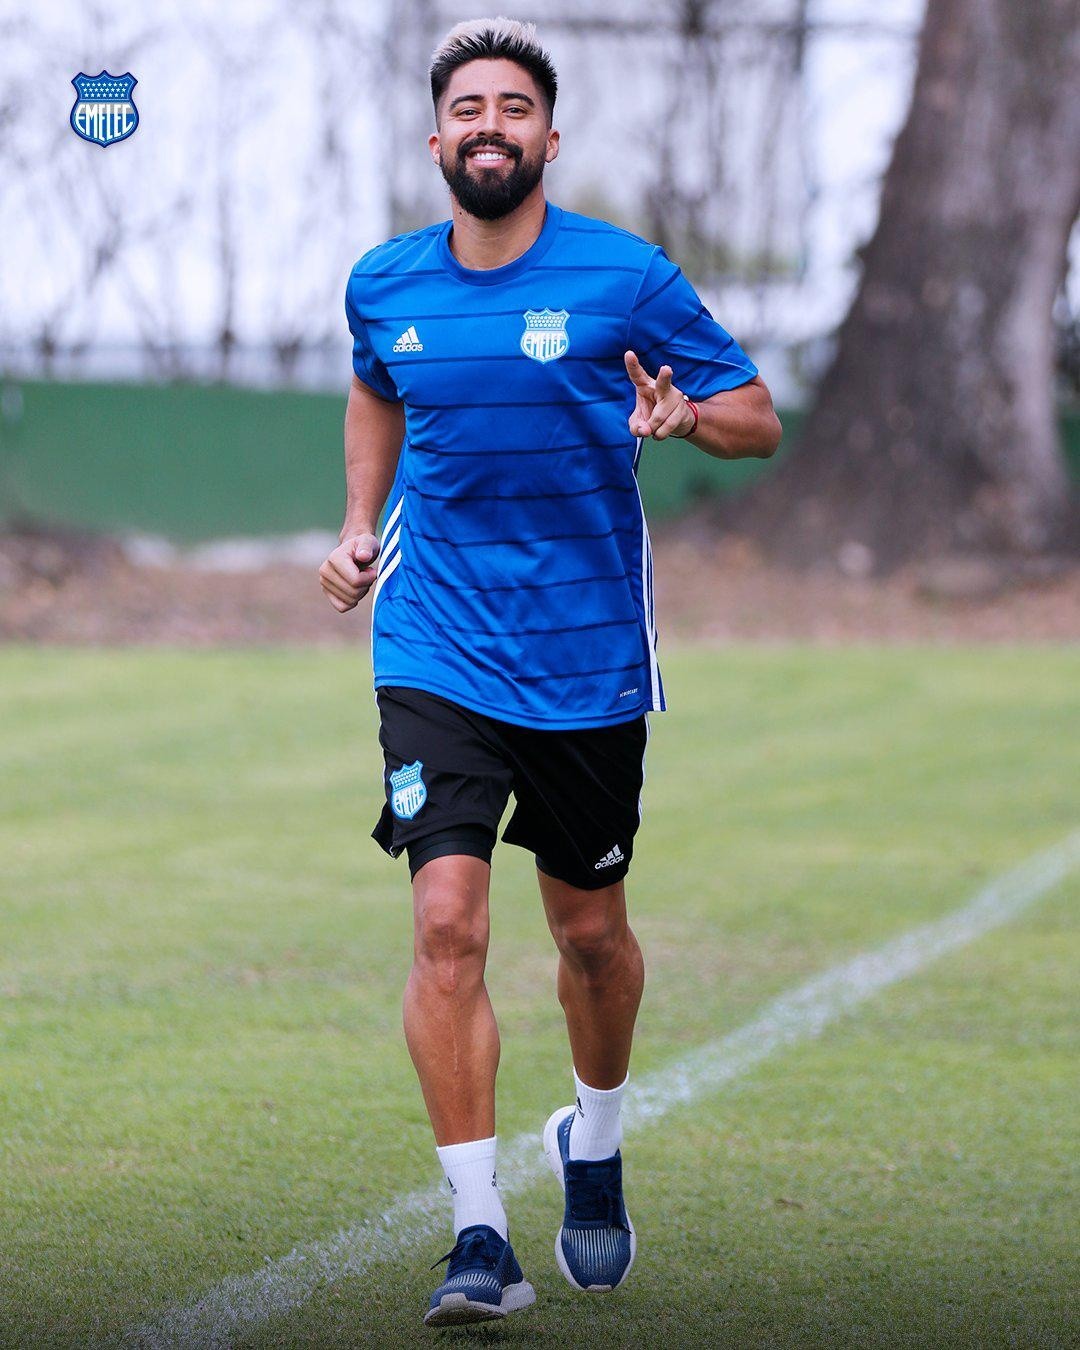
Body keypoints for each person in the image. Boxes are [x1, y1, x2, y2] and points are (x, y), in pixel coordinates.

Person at [319, 16, 781, 1328]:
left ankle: (596, 1135)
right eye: (467, 106)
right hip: (433, 645)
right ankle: (478, 1235)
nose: (488, 124)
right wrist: (359, 527)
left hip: (585, 661)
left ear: (549, 138)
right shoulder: (385, 284)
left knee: (590, 938)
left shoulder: (626, 278)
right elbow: (374, 391)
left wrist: (688, 414)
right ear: (437, 137)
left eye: (513, 107)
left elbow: (758, 415)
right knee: (446, 921)